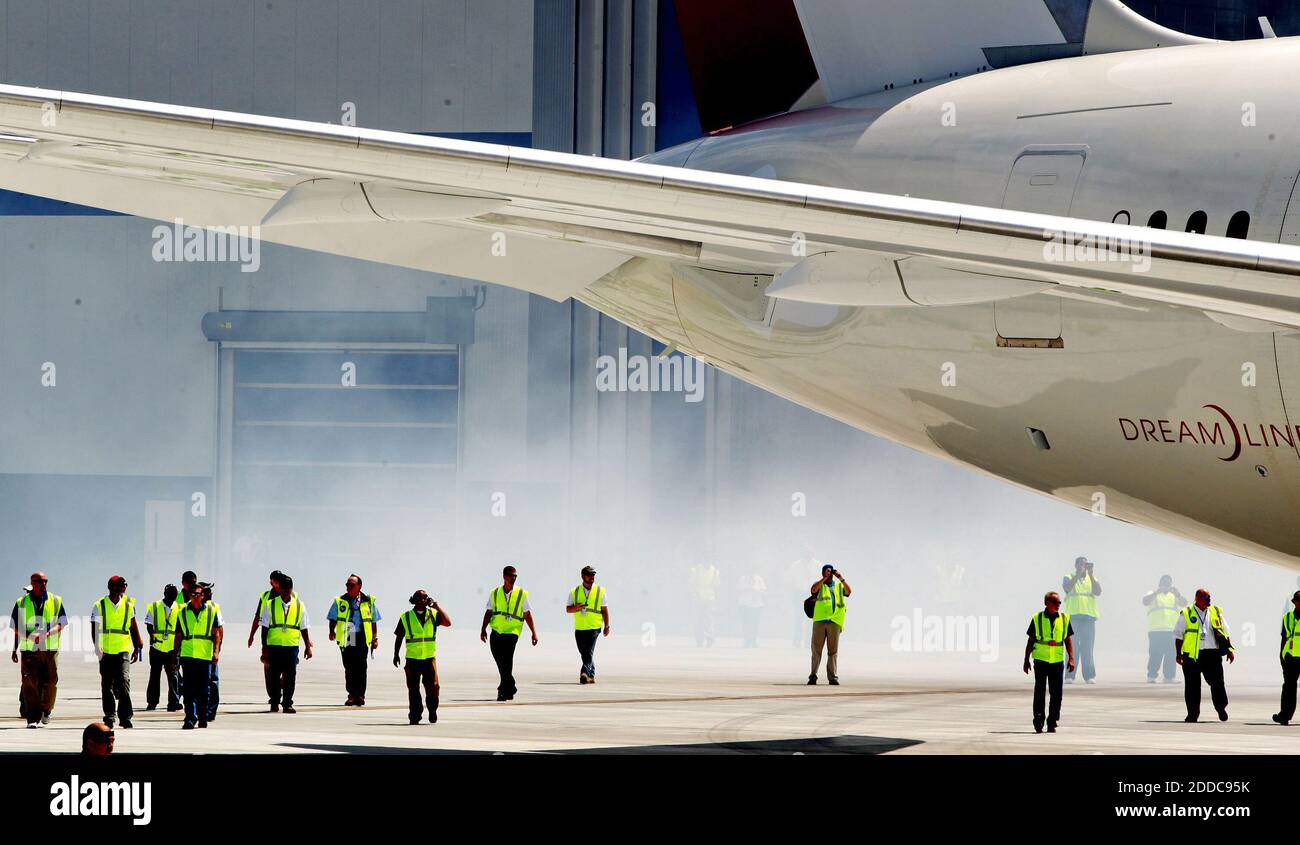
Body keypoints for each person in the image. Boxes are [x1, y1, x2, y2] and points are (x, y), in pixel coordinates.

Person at [12, 571, 68, 728]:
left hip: (50, 649)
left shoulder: (56, 601)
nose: (44, 584)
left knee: (51, 682)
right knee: (29, 683)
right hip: (29, 649)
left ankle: (46, 710)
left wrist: (48, 634)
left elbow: (62, 622)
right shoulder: (21, 602)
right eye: (40, 581)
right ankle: (32, 718)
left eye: (45, 581)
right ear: (32, 583)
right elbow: (14, 626)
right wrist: (29, 636)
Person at [90, 576, 144, 729]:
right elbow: (94, 628)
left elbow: (133, 627)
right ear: (110, 587)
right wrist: (97, 647)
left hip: (123, 650)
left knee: (124, 681)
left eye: (123, 585)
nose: (120, 588)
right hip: (105, 651)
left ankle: (125, 717)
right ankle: (109, 716)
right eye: (117, 585)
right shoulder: (99, 605)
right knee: (107, 685)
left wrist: (138, 646)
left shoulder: (128, 605)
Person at [1174, 588, 1234, 723]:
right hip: (1192, 655)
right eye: (1206, 597)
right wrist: (1178, 654)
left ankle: (1221, 708)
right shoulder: (1187, 613)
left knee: (1218, 683)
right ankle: (1192, 714)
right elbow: (1178, 635)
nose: (1209, 600)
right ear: (1197, 598)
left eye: (1209, 597)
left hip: (1212, 654)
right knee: (1192, 686)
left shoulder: (1216, 612)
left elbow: (1225, 632)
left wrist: (1229, 650)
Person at [480, 565, 538, 701]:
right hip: (496, 630)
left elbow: (527, 614)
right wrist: (483, 629)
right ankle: (510, 686)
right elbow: (489, 612)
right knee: (500, 660)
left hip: (512, 631)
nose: (513, 578)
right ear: (504, 577)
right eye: (511, 576)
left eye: (515, 576)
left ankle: (503, 689)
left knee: (507, 659)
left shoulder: (521, 594)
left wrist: (533, 633)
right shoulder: (494, 593)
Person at [393, 590, 451, 724]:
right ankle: (414, 716)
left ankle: (432, 710)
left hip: (429, 658)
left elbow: (448, 623)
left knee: (433, 688)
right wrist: (396, 654)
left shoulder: (433, 615)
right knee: (413, 689)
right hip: (412, 659)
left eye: (425, 597)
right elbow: (399, 636)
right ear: (414, 600)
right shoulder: (405, 617)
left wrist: (436, 607)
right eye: (419, 597)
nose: (422, 600)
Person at [1023, 591, 1075, 733]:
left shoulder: (1064, 618)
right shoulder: (1037, 618)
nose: (1058, 605)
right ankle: (1038, 720)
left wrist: (1071, 658)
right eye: (1054, 602)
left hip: (1057, 661)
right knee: (1039, 691)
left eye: (1059, 603)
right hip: (1040, 660)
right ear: (1046, 603)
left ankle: (1052, 721)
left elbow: (1068, 640)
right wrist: (1026, 660)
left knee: (1056, 693)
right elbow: (1030, 641)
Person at [173, 582, 223, 729]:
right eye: (193, 594)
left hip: (204, 656)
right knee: (188, 690)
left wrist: (215, 652)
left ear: (203, 596)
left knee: (203, 690)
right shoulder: (182, 612)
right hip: (188, 656)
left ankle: (202, 717)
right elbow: (178, 636)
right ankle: (189, 718)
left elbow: (216, 633)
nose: (196, 597)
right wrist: (175, 656)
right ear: (189, 595)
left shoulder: (210, 611)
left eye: (199, 594)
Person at [260, 575, 312, 713]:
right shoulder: (270, 604)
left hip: (291, 646)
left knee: (290, 676)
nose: (286, 593)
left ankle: (287, 703)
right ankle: (275, 702)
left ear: (291, 589)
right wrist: (264, 648)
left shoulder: (300, 605)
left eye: (288, 590)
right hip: (274, 645)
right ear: (280, 589)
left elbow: (304, 627)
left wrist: (307, 646)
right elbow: (264, 628)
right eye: (284, 590)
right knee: (274, 676)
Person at [327, 574, 380, 706]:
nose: (348, 587)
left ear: (359, 586)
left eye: (352, 585)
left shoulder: (368, 601)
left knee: (361, 666)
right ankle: (351, 694)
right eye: (347, 585)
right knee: (350, 666)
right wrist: (331, 631)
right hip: (348, 634)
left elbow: (373, 621)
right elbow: (333, 617)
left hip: (362, 635)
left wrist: (375, 638)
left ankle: (360, 695)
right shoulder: (340, 600)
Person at [247, 570, 285, 710]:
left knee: (286, 670)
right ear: (271, 582)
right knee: (269, 669)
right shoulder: (265, 596)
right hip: (269, 638)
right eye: (275, 580)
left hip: (287, 639)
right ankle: (274, 696)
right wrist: (252, 635)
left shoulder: (288, 595)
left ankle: (280, 691)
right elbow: (258, 617)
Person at [808, 564, 851, 685]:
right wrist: (823, 579)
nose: (829, 573)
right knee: (816, 650)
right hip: (820, 621)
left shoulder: (838, 586)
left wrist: (841, 578)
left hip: (834, 622)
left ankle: (832, 677)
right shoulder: (819, 585)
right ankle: (813, 675)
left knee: (833, 651)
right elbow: (813, 590)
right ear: (822, 573)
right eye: (826, 571)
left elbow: (848, 591)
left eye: (830, 571)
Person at [565, 566, 609, 684]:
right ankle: (591, 675)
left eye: (593, 575)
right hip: (580, 628)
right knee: (584, 653)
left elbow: (604, 610)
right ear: (583, 576)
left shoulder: (600, 591)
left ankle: (584, 673)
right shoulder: (574, 591)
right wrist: (576, 608)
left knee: (588, 651)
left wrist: (607, 626)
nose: (592, 577)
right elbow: (568, 609)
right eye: (589, 575)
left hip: (594, 627)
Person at [1062, 556, 1101, 683]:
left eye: (1085, 564)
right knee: (1072, 647)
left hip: (1088, 618)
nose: (1083, 566)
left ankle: (1089, 676)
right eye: (1081, 564)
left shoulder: (1092, 578)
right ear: (1076, 565)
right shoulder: (1068, 576)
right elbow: (1067, 588)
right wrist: (1078, 574)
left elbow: (1098, 592)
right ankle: (1069, 675)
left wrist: (1090, 574)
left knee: (1087, 648)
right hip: (1073, 617)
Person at [144, 585, 182, 712]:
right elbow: (149, 623)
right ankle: (152, 702)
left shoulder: (179, 608)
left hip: (172, 648)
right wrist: (152, 635)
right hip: (157, 647)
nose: (173, 596)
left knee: (173, 675)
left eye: (174, 593)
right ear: (165, 593)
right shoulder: (154, 606)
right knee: (155, 675)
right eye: (170, 593)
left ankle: (173, 702)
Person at [1142, 575, 1186, 684]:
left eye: (1168, 583)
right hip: (1155, 630)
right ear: (1160, 583)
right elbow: (1145, 601)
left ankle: (1169, 677)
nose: (1166, 585)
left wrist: (1178, 594)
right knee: (1155, 653)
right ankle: (1151, 676)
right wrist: (1157, 592)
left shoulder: (1174, 595)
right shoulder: (1153, 593)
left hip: (1171, 630)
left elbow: (1184, 603)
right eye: (1164, 583)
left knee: (1171, 654)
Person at [1274, 591, 1300, 726]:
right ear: (1294, 602)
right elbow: (1284, 637)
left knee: (1289, 686)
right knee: (1289, 687)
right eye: (1298, 600)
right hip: (1290, 657)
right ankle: (1284, 715)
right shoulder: (1287, 617)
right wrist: (1281, 655)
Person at [688, 561, 720, 647]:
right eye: (706, 557)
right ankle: (699, 639)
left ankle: (709, 638)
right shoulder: (696, 570)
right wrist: (694, 594)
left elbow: (716, 586)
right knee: (698, 619)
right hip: (698, 598)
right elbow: (691, 584)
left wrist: (716, 600)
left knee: (709, 619)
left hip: (710, 599)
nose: (707, 560)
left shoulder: (715, 571)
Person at [736, 571, 766, 648]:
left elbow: (764, 591)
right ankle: (747, 640)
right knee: (746, 624)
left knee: (755, 624)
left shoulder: (759, 579)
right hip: (744, 604)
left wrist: (756, 590)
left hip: (756, 605)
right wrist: (746, 589)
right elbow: (738, 590)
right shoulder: (742, 579)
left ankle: (753, 640)